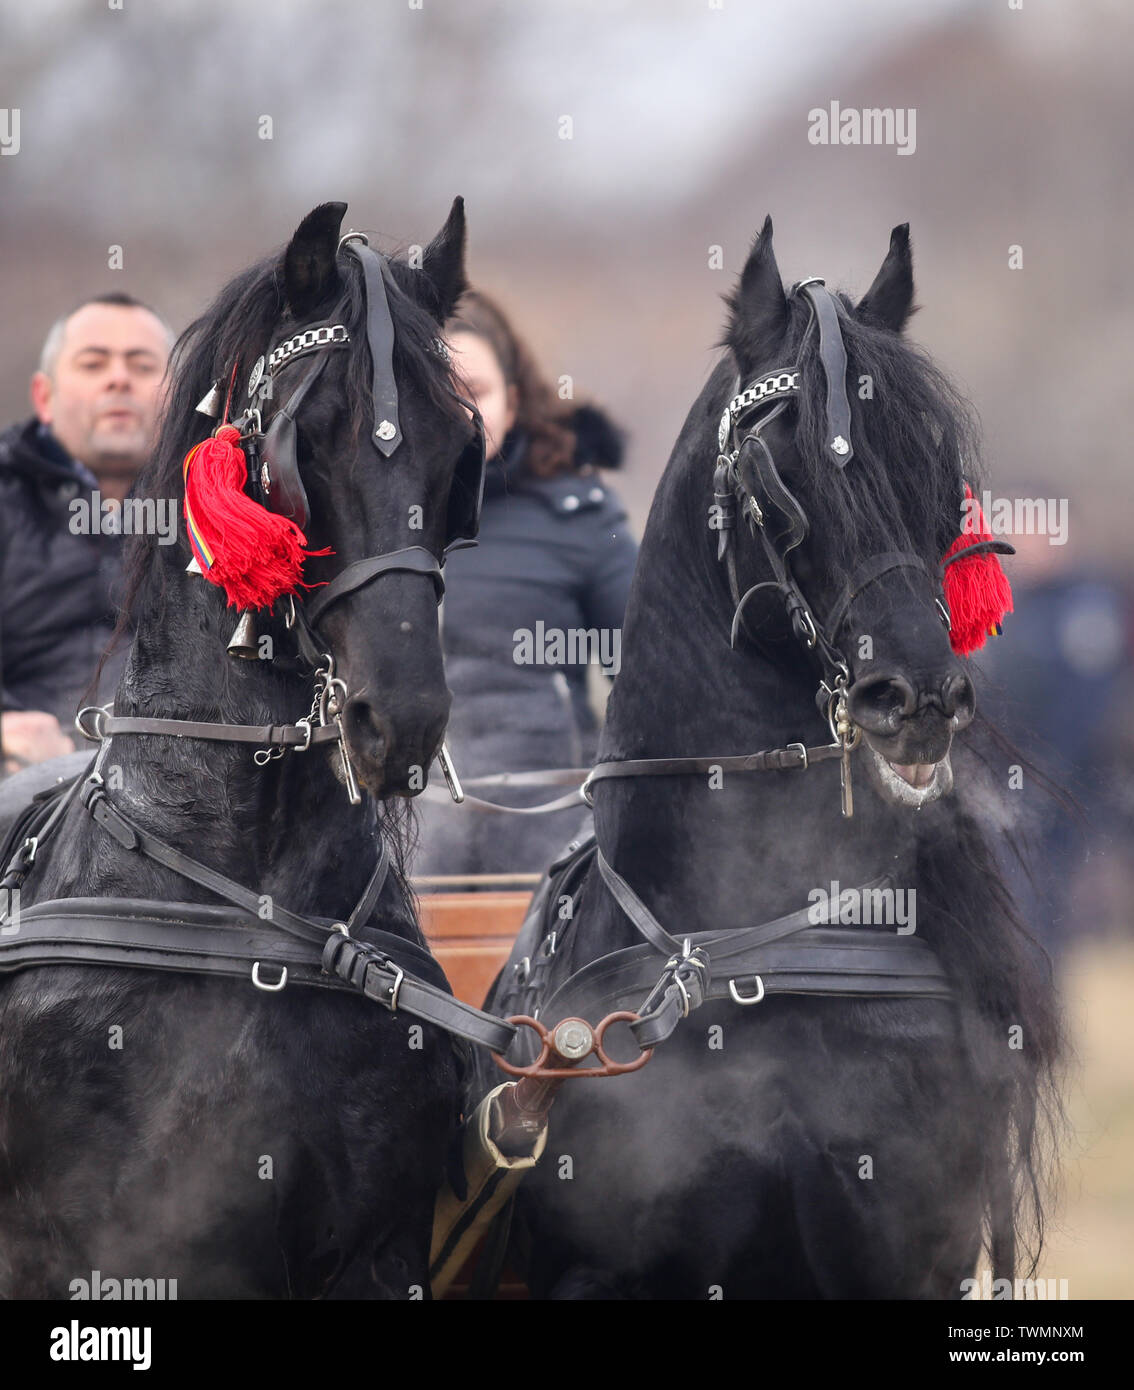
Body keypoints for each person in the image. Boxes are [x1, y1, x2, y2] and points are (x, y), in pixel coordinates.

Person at [415, 290, 638, 877]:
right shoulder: (364, 519)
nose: (461, 416)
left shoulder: (583, 515)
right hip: (401, 859)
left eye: (478, 394)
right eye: (441, 395)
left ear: (513, 402)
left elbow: (648, 681)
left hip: (554, 852)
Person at [0, 292, 173, 774]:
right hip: (21, 780)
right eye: (93, 364)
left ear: (178, 393)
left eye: (141, 366)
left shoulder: (224, 511)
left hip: (178, 785)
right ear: (44, 397)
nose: (118, 378)